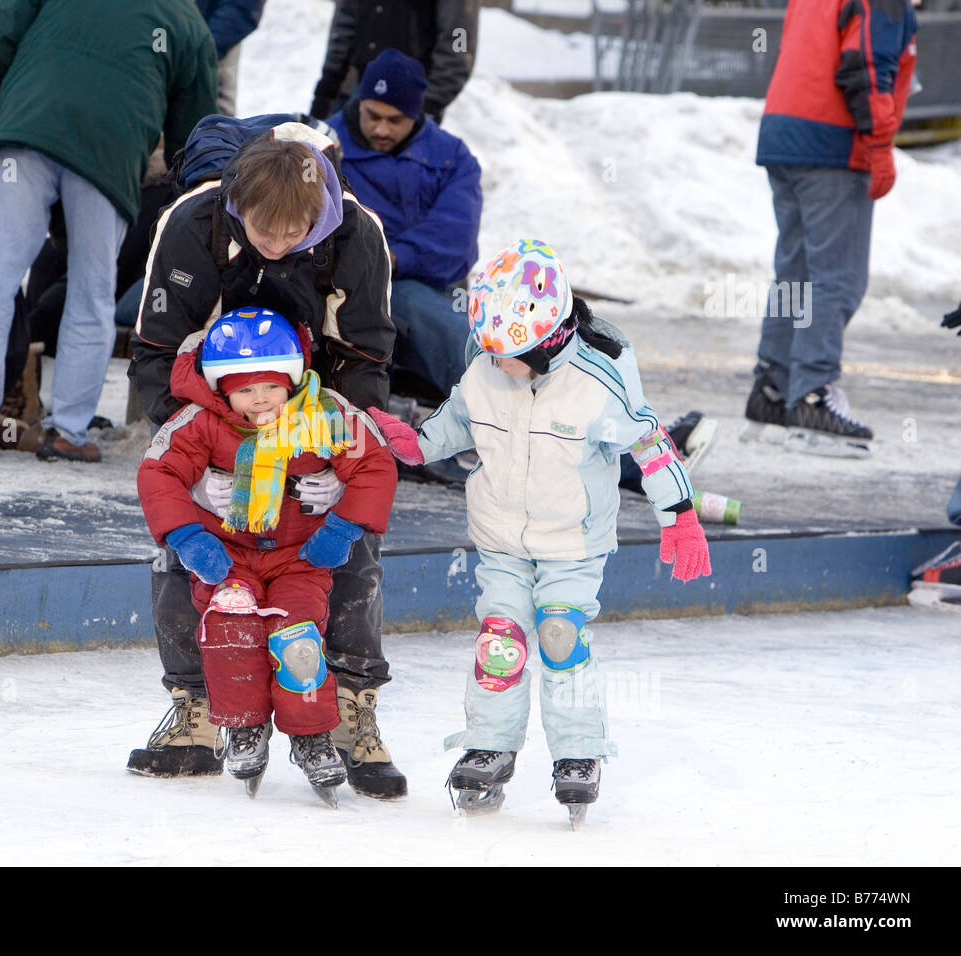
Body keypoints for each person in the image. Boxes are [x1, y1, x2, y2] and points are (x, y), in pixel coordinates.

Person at [369, 239, 712, 824]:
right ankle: (491, 746)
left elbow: (651, 445)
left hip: (573, 545)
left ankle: (579, 755)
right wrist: (414, 443)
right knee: (499, 644)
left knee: (559, 638)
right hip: (502, 540)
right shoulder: (489, 366)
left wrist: (679, 516)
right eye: (490, 348)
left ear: (548, 341)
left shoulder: (596, 381)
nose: (495, 361)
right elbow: (454, 423)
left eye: (510, 352)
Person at [128, 123, 409, 798]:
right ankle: (195, 707)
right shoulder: (192, 223)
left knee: (351, 545)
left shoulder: (356, 237)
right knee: (179, 548)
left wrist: (321, 460)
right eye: (264, 231)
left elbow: (367, 357)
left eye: (295, 234)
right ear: (236, 206)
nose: (280, 245)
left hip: (314, 413)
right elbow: (155, 352)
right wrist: (200, 459)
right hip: (215, 415)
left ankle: (349, 707)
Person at [0, 0, 217, 461]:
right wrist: (194, 185)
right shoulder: (185, 19)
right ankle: (67, 432)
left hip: (25, 133)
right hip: (109, 153)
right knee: (92, 293)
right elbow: (195, 130)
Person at [137, 308, 397, 803]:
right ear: (221, 390)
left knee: (298, 636)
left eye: (272, 386)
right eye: (244, 388)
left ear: (293, 380)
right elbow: (158, 472)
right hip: (229, 554)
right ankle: (244, 725)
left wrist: (342, 527)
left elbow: (374, 463)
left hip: (300, 556)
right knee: (231, 624)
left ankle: (310, 733)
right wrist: (190, 537)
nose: (261, 399)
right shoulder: (200, 422)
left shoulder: (324, 414)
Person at [745, 0, 917, 458]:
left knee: (797, 270)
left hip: (784, 132)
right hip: (831, 143)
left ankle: (774, 389)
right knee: (836, 278)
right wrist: (880, 146)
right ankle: (813, 395)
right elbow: (865, 63)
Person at [328, 49, 480, 404]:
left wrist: (391, 256)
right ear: (359, 103)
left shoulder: (452, 156)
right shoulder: (327, 148)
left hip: (435, 285)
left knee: (482, 336)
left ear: (417, 115)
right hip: (352, 286)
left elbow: (455, 240)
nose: (381, 129)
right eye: (373, 116)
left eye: (394, 120)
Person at [309, 0, 478, 124]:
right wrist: (327, 86)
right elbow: (345, 21)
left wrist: (428, 106)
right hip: (354, 91)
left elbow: (459, 40)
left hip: (411, 102)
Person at [195, 0, 266, 115]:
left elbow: (243, 7)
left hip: (213, 45)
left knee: (215, 122)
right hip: (174, 41)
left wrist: (206, 48)